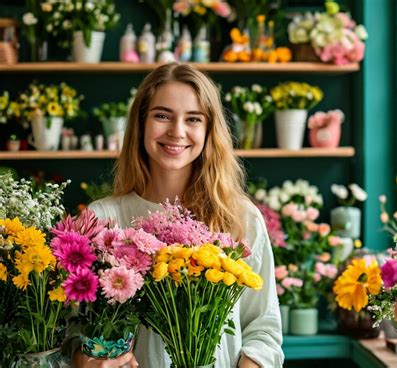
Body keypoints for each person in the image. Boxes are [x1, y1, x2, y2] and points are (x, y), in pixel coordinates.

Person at [73, 63, 284, 368]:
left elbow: (263, 328)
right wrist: (85, 361)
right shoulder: (102, 219)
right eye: (162, 115)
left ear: (209, 130)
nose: (177, 131)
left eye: (193, 119)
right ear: (140, 123)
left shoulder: (240, 218)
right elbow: (67, 332)